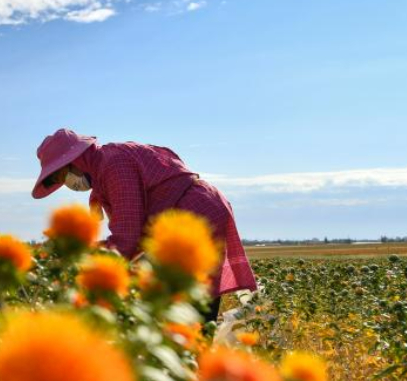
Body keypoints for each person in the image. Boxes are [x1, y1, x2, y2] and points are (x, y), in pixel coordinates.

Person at [33, 128, 256, 321]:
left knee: (188, 305)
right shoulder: (104, 168)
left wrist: (83, 260)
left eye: (63, 175)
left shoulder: (114, 165)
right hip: (185, 215)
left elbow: (126, 239)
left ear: (76, 160)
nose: (66, 184)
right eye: (59, 181)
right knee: (173, 303)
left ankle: (193, 360)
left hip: (196, 214)